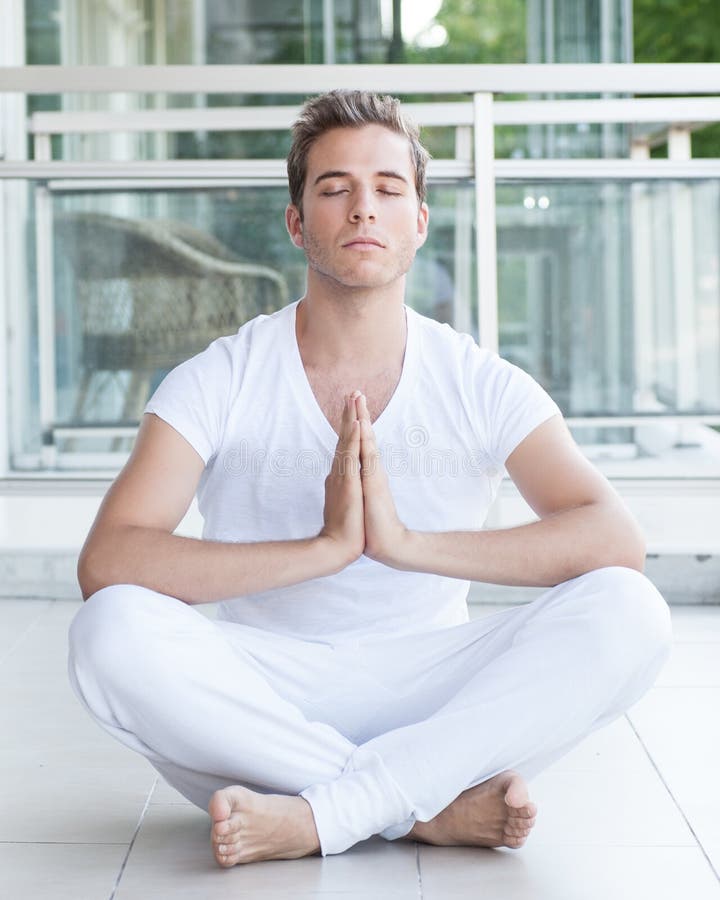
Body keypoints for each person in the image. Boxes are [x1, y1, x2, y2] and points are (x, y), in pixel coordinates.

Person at [68, 90, 673, 867]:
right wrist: (322, 549)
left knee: (630, 608)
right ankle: (421, 807)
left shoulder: (479, 379)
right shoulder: (220, 375)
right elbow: (110, 560)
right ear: (297, 223)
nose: (364, 210)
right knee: (108, 630)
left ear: (419, 221)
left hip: (435, 691)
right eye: (334, 189)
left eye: (389, 190)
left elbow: (612, 538)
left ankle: (327, 810)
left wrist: (405, 544)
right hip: (264, 701)